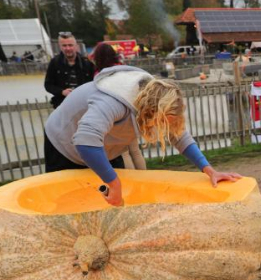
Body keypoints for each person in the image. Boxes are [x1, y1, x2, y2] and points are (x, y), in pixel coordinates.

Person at [43, 65, 241, 207]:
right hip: (64, 146)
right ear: (151, 111)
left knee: (115, 205)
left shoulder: (154, 94)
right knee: (67, 205)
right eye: (163, 121)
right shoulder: (113, 102)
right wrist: (113, 181)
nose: (163, 128)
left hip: (106, 149)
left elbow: (179, 136)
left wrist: (210, 171)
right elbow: (85, 140)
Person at [90, 43, 146, 171]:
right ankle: (145, 178)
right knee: (136, 151)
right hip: (131, 111)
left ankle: (133, 182)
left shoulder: (99, 74)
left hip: (115, 115)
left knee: (124, 152)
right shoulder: (123, 69)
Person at [45, 32, 94, 109]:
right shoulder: (54, 63)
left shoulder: (87, 63)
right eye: (64, 45)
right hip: (62, 105)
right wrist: (62, 92)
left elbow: (94, 84)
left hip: (85, 105)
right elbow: (48, 85)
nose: (68, 48)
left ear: (76, 46)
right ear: (60, 47)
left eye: (70, 45)